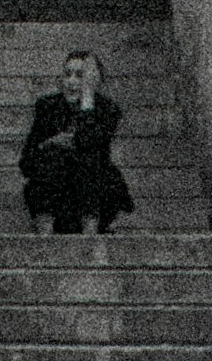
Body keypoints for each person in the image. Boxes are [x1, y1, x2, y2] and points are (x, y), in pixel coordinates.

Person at [21, 47, 135, 237]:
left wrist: (87, 101)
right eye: (67, 74)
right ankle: (44, 235)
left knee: (88, 160)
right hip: (56, 194)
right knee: (52, 156)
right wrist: (50, 145)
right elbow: (26, 162)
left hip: (94, 195)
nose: (72, 81)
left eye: (80, 76)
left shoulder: (107, 109)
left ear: (96, 81)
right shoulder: (47, 106)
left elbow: (89, 143)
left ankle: (89, 235)